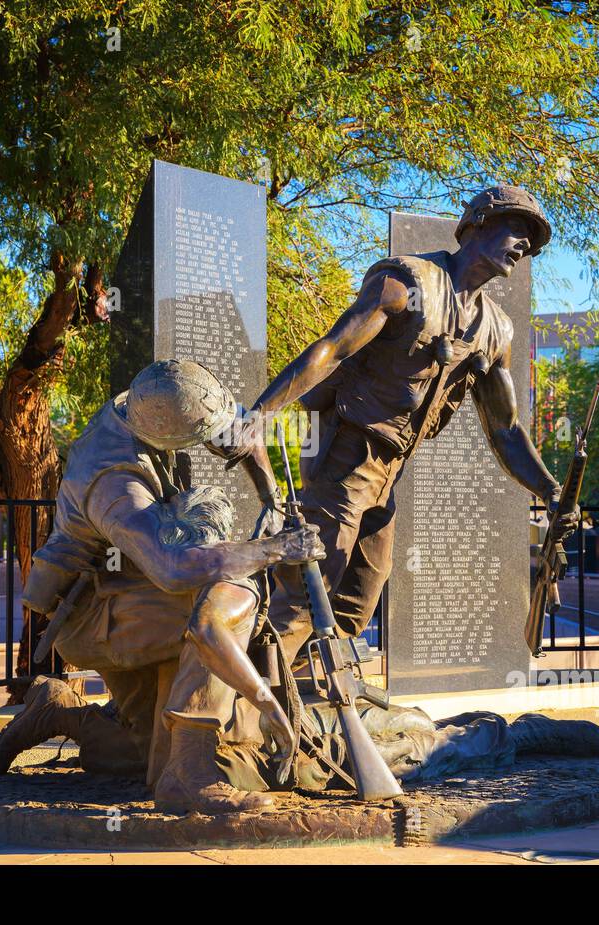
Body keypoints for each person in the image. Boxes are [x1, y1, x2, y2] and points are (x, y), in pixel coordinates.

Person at [221, 184, 580, 662]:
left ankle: (294, 694)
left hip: (391, 471)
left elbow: (507, 431)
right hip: (347, 454)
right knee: (308, 595)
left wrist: (552, 491)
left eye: (531, 242)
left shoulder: (495, 329)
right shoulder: (408, 282)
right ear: (477, 224)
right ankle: (231, 710)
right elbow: (334, 348)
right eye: (517, 229)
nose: (524, 246)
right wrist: (258, 415)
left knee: (353, 605)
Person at [0, 359, 323, 815]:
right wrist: (275, 549)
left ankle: (59, 714)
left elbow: (240, 432)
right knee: (226, 600)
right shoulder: (115, 484)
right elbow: (172, 569)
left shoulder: (161, 398)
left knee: (142, 753)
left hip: (133, 590)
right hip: (95, 613)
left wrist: (272, 499)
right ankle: (190, 778)